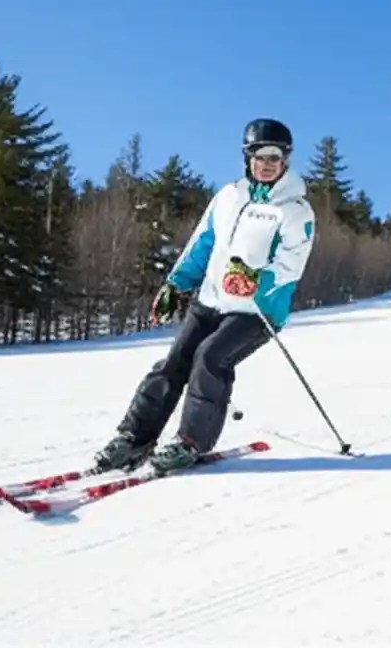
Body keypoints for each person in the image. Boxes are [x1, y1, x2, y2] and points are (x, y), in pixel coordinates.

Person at [92, 118, 316, 473]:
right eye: (260, 155)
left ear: (286, 160)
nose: (268, 163)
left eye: (276, 156)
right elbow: (203, 243)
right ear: (248, 158)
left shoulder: (295, 210)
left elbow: (292, 263)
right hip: (210, 301)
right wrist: (177, 283)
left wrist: (257, 278)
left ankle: (190, 442)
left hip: (257, 311)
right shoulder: (228, 197)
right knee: (175, 361)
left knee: (210, 358)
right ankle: (133, 439)